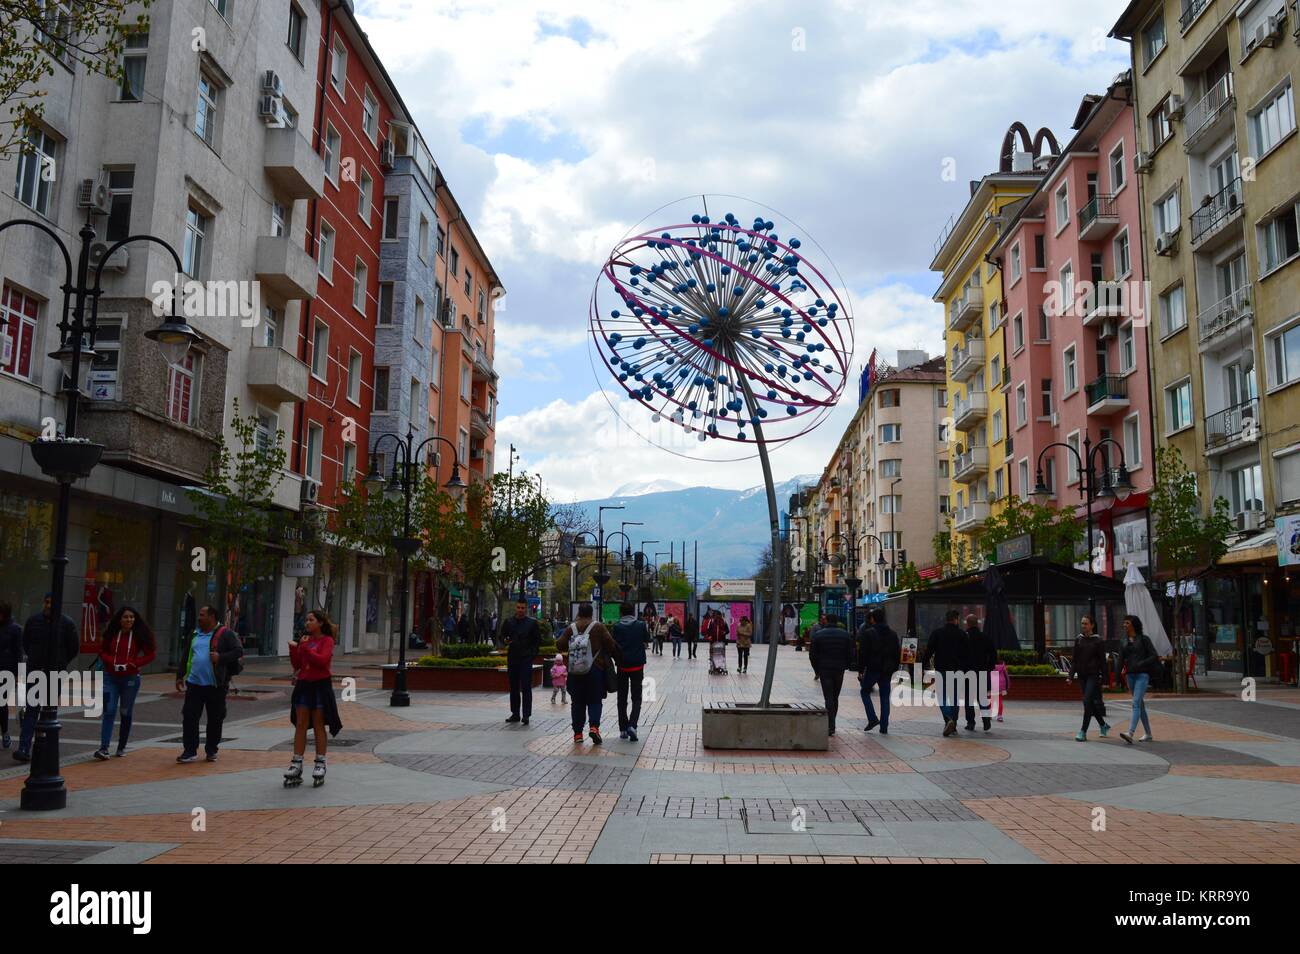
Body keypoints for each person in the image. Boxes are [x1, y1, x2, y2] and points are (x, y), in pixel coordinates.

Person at [14, 593, 79, 762]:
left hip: (55, 673)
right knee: (31, 711)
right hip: (35, 671)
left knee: (49, 712)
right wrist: (35, 659)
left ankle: (47, 749)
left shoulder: (67, 623)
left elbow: (73, 648)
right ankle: (24, 748)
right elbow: (26, 643)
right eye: (47, 602)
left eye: (53, 602)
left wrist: (60, 663)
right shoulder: (33, 621)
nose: (49, 605)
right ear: (44, 603)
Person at [176, 604, 244, 763]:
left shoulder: (225, 634)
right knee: (189, 717)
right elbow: (186, 655)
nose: (199, 618)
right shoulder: (194, 634)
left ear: (212, 617)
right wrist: (180, 675)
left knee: (215, 719)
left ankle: (211, 749)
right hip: (194, 684)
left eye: (202, 615)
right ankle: (189, 750)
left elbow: (238, 651)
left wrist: (220, 657)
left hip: (216, 685)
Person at [284, 610, 340, 786]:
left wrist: (305, 648)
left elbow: (322, 661)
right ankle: (297, 762)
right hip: (304, 684)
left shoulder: (327, 641)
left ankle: (320, 762)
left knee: (318, 724)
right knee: (301, 723)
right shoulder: (305, 640)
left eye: (311, 620)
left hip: (320, 685)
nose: (307, 623)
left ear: (320, 623)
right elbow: (298, 665)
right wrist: (294, 649)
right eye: (306, 620)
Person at [94, 606, 157, 759]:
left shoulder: (139, 635)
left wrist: (134, 664)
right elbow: (102, 651)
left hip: (130, 679)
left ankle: (121, 747)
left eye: (131, 617)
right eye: (125, 617)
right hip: (111, 677)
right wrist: (112, 662)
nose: (129, 620)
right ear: (119, 619)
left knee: (125, 712)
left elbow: (151, 654)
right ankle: (104, 748)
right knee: (109, 711)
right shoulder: (112, 634)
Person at [556, 603, 622, 745]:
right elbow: (611, 645)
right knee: (594, 700)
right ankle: (594, 727)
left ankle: (578, 734)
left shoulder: (571, 628)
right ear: (591, 613)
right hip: (595, 670)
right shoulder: (598, 627)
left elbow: (559, 645)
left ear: (579, 613)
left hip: (575, 672)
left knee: (577, 702)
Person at [922, 609, 967, 738]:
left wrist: (922, 665)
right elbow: (967, 654)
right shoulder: (962, 634)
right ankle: (954, 723)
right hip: (957, 670)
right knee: (954, 698)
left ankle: (948, 719)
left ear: (946, 619)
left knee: (941, 696)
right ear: (956, 619)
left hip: (941, 669)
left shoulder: (937, 633)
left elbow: (929, 651)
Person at [610, 601, 650, 741]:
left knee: (622, 697)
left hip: (622, 666)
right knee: (637, 697)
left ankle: (623, 729)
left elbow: (613, 646)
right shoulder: (640, 625)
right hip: (637, 666)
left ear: (621, 613)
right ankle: (633, 725)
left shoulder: (617, 627)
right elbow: (647, 641)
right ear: (633, 613)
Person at [1067, 615, 1111, 741]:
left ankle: (1083, 731)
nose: (1083, 626)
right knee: (1089, 702)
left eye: (1086, 623)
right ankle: (1103, 725)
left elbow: (1103, 661)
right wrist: (1070, 676)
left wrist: (1106, 680)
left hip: (1093, 675)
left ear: (1092, 625)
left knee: (1086, 701)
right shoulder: (1078, 639)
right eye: (1082, 623)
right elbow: (1074, 660)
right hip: (1082, 675)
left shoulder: (1098, 641)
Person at [809, 614, 854, 735]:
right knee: (835, 696)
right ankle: (832, 723)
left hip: (824, 669)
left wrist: (816, 669)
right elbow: (851, 653)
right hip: (839, 669)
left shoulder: (819, 635)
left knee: (828, 696)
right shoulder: (845, 635)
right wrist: (847, 665)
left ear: (826, 621)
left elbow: (812, 655)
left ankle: (831, 725)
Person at [858, 608, 900, 734]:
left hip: (873, 668)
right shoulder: (893, 634)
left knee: (864, 691)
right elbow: (896, 653)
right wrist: (895, 668)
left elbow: (863, 653)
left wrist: (860, 669)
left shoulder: (868, 633)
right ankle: (884, 726)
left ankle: (872, 718)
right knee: (885, 697)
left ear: (873, 619)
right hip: (887, 670)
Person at [1118, 615, 1158, 744]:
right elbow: (1120, 659)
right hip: (1130, 675)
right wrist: (1117, 676)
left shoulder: (1144, 639)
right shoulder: (1123, 641)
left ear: (1133, 625)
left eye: (1127, 623)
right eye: (1124, 623)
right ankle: (1148, 733)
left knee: (1135, 702)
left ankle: (1130, 732)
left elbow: (1154, 656)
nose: (1124, 625)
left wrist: (1141, 663)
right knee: (1140, 704)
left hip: (1142, 675)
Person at [502, 599, 541, 725]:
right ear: (515, 608)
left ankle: (526, 715)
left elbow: (537, 641)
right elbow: (501, 636)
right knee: (513, 687)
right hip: (513, 658)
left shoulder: (532, 623)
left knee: (526, 687)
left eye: (522, 608)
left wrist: (532, 655)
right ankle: (515, 713)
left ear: (526, 608)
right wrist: (505, 640)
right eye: (518, 607)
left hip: (526, 658)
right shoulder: (509, 622)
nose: (520, 610)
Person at [964, 614, 997, 732]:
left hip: (968, 673)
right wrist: (989, 667)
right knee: (982, 698)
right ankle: (986, 720)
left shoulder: (964, 637)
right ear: (977, 623)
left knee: (969, 699)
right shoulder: (985, 637)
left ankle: (971, 722)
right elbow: (993, 654)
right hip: (982, 672)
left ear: (967, 624)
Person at [0, 601, 23, 749]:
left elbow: (18, 653)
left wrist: (17, 674)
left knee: (1, 703)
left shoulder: (15, 629)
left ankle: (5, 732)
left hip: (7, 671)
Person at [991, 658, 1010, 723]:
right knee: (999, 701)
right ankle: (999, 716)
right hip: (1001, 686)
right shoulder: (1003, 668)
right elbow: (1007, 677)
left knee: (991, 700)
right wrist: (1007, 687)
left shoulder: (990, 666)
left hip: (992, 685)